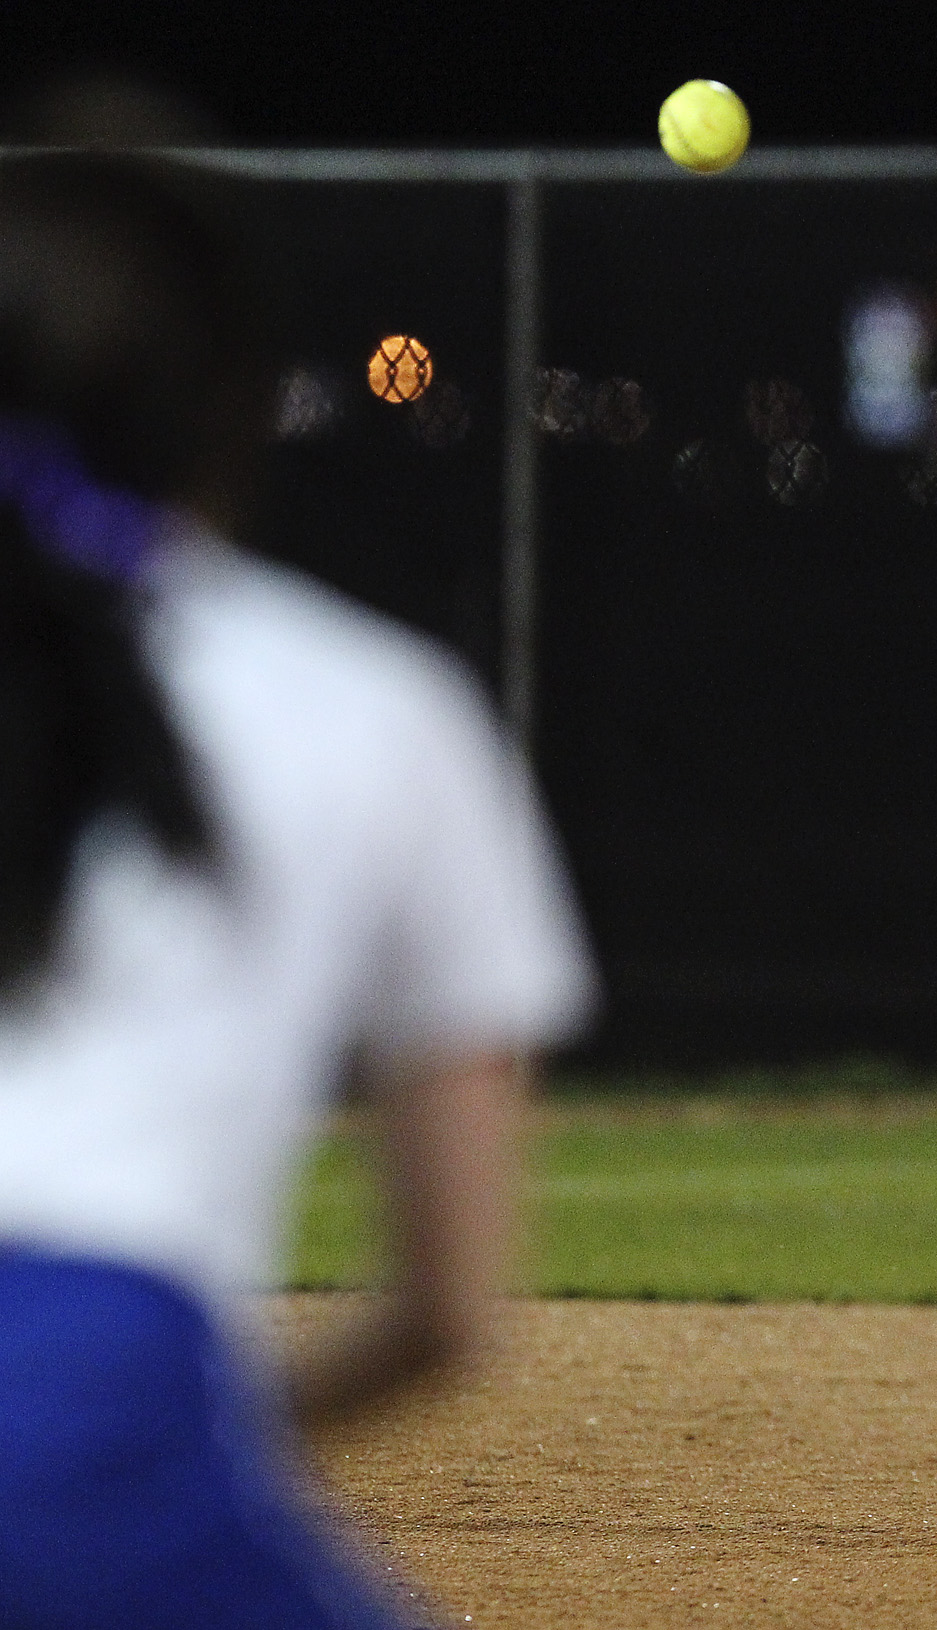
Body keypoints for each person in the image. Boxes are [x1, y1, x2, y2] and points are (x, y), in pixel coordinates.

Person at [0, 149, 595, 1625]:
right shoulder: (372, 709)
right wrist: (166, 1460)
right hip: (81, 1400)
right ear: (235, 406)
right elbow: (446, 1319)